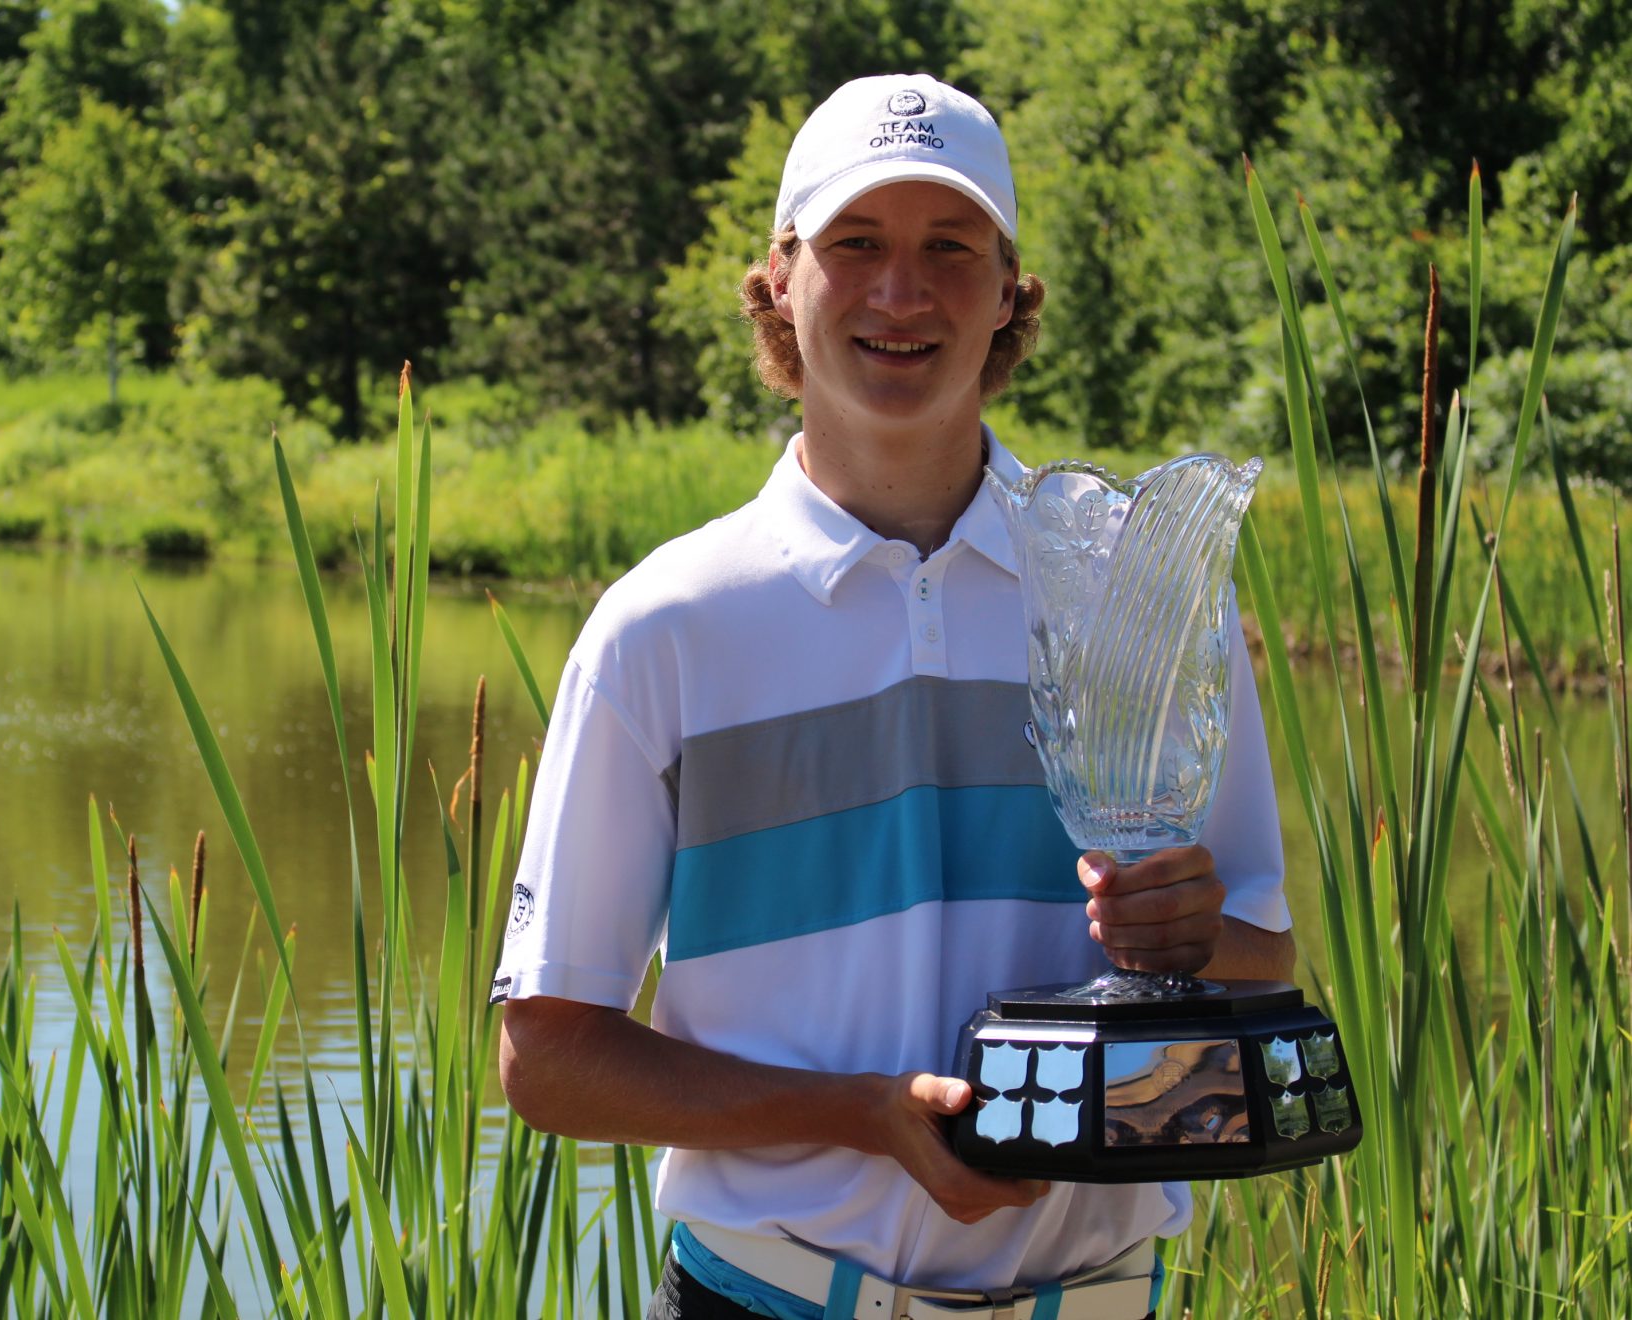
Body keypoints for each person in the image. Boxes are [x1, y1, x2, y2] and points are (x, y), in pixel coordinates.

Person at [493, 73, 1295, 1320]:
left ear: (1011, 296)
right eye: (856, 243)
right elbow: (548, 1060)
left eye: (950, 249)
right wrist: (856, 1119)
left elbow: (1264, 966)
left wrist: (1192, 938)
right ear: (779, 280)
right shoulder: (665, 626)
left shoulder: (1146, 591)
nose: (901, 292)